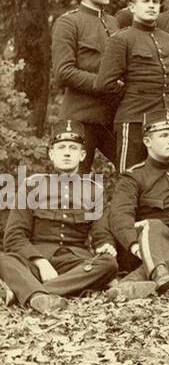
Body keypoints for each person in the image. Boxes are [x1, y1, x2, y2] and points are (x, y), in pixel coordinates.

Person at [0, 120, 116, 314]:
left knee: (108, 263)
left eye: (73, 147)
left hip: (76, 263)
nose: (67, 152)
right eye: (61, 147)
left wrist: (105, 245)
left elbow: (101, 234)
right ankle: (50, 291)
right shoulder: (32, 186)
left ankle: (37, 294)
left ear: (82, 155)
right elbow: (13, 237)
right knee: (4, 260)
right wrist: (41, 262)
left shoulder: (94, 191)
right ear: (52, 154)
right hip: (36, 262)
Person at [94, 0, 169, 172]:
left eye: (155, 2)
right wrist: (132, 96)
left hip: (166, 122)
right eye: (145, 1)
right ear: (132, 7)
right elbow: (104, 84)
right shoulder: (122, 39)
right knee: (130, 177)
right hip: (133, 122)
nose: (151, 6)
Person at [106, 106, 169, 294]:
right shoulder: (134, 176)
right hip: (138, 246)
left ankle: (125, 288)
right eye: (164, 136)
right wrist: (135, 247)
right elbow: (120, 216)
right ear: (147, 141)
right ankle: (159, 274)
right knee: (153, 224)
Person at [50, 0, 121, 167]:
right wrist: (104, 84)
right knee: (73, 184)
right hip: (80, 118)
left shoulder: (113, 22)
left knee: (135, 171)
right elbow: (63, 72)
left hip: (111, 118)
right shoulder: (68, 22)